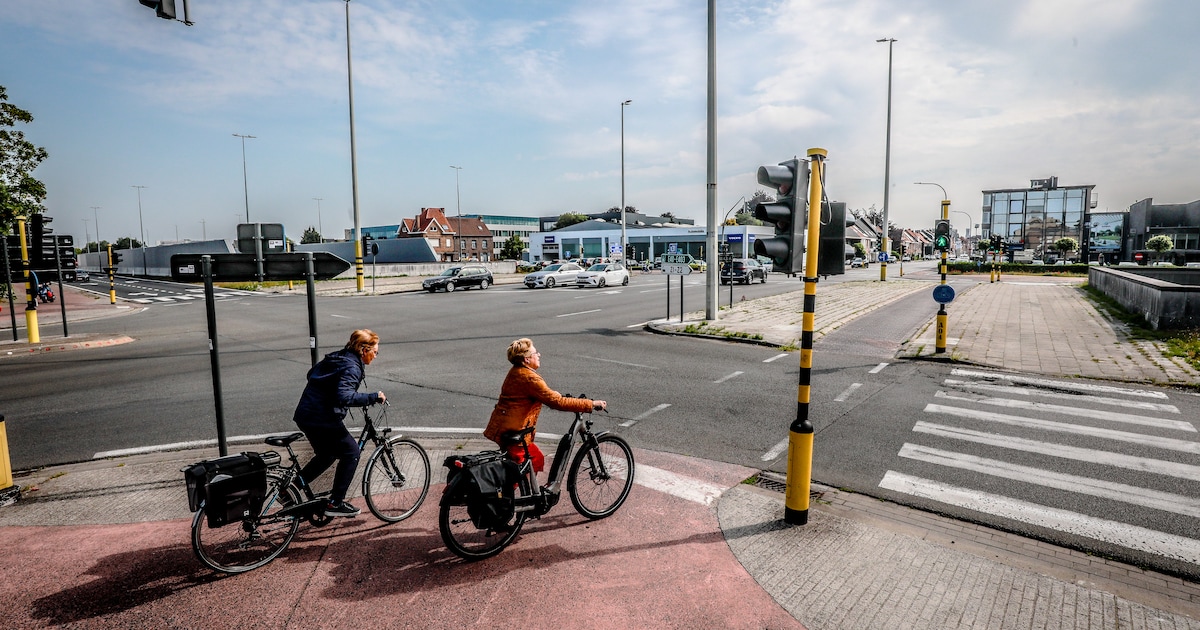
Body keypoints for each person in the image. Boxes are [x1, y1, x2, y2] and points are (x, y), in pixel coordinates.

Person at [292, 329, 386, 517]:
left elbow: (312, 374)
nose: (376, 356)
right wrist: (372, 397)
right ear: (363, 349)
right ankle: (335, 503)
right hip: (322, 418)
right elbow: (344, 396)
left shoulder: (339, 357)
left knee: (327, 454)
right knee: (351, 452)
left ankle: (292, 487)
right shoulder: (352, 367)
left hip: (306, 414)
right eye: (375, 351)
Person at [484, 338, 606, 476]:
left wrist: (554, 394)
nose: (539, 355)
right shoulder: (530, 378)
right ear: (526, 359)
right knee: (528, 464)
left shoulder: (516, 371)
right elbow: (557, 402)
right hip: (514, 433)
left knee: (529, 462)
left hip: (505, 427)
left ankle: (524, 493)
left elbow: (536, 393)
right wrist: (591, 404)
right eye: (535, 353)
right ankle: (515, 496)